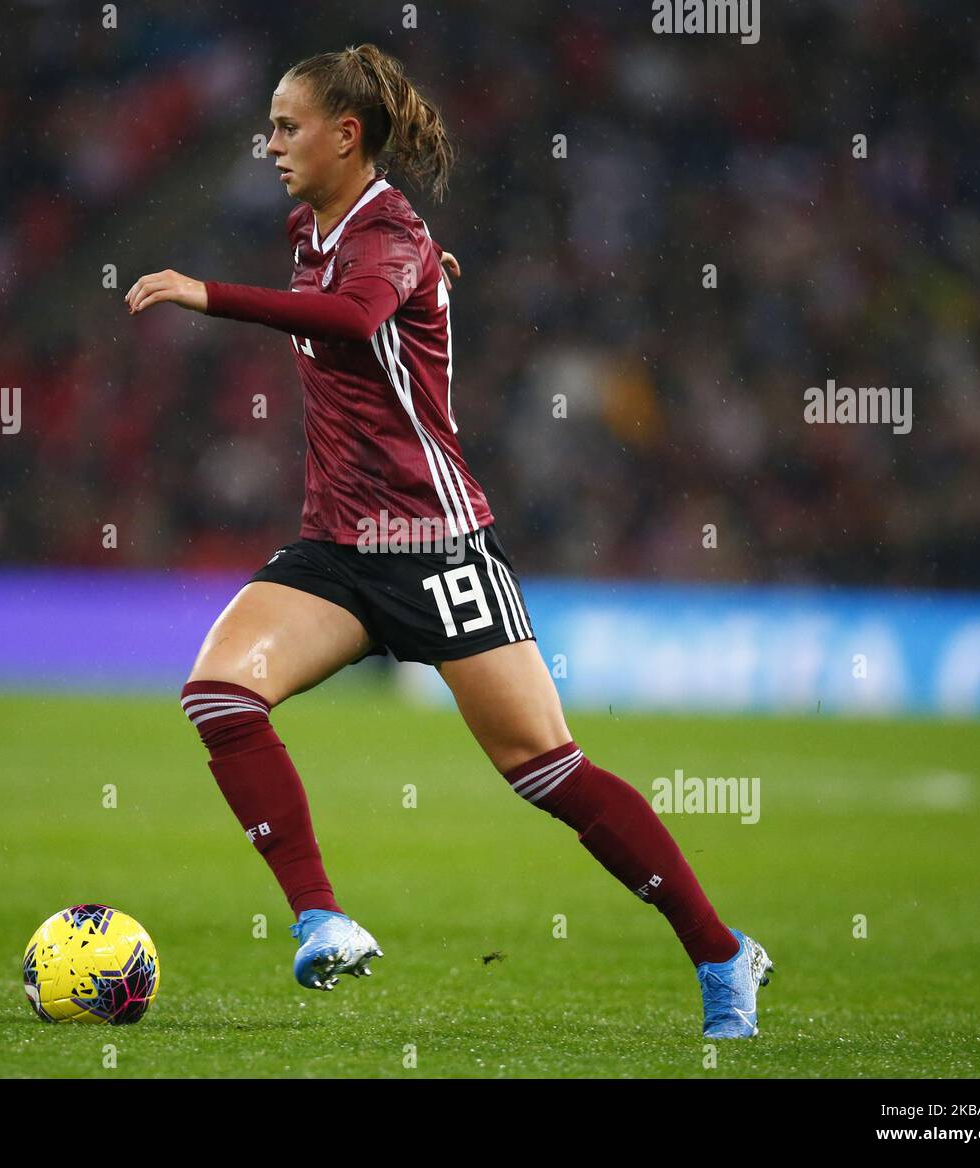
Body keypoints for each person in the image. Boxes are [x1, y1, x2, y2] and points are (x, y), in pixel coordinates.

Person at [125, 43, 772, 1037]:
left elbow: (354, 315)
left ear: (348, 135)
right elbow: (379, 299)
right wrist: (428, 278)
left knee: (546, 771)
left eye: (287, 125)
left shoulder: (382, 232)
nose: (269, 144)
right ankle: (320, 917)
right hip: (338, 546)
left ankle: (722, 953)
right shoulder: (319, 226)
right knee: (218, 692)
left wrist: (208, 293)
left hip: (435, 544)